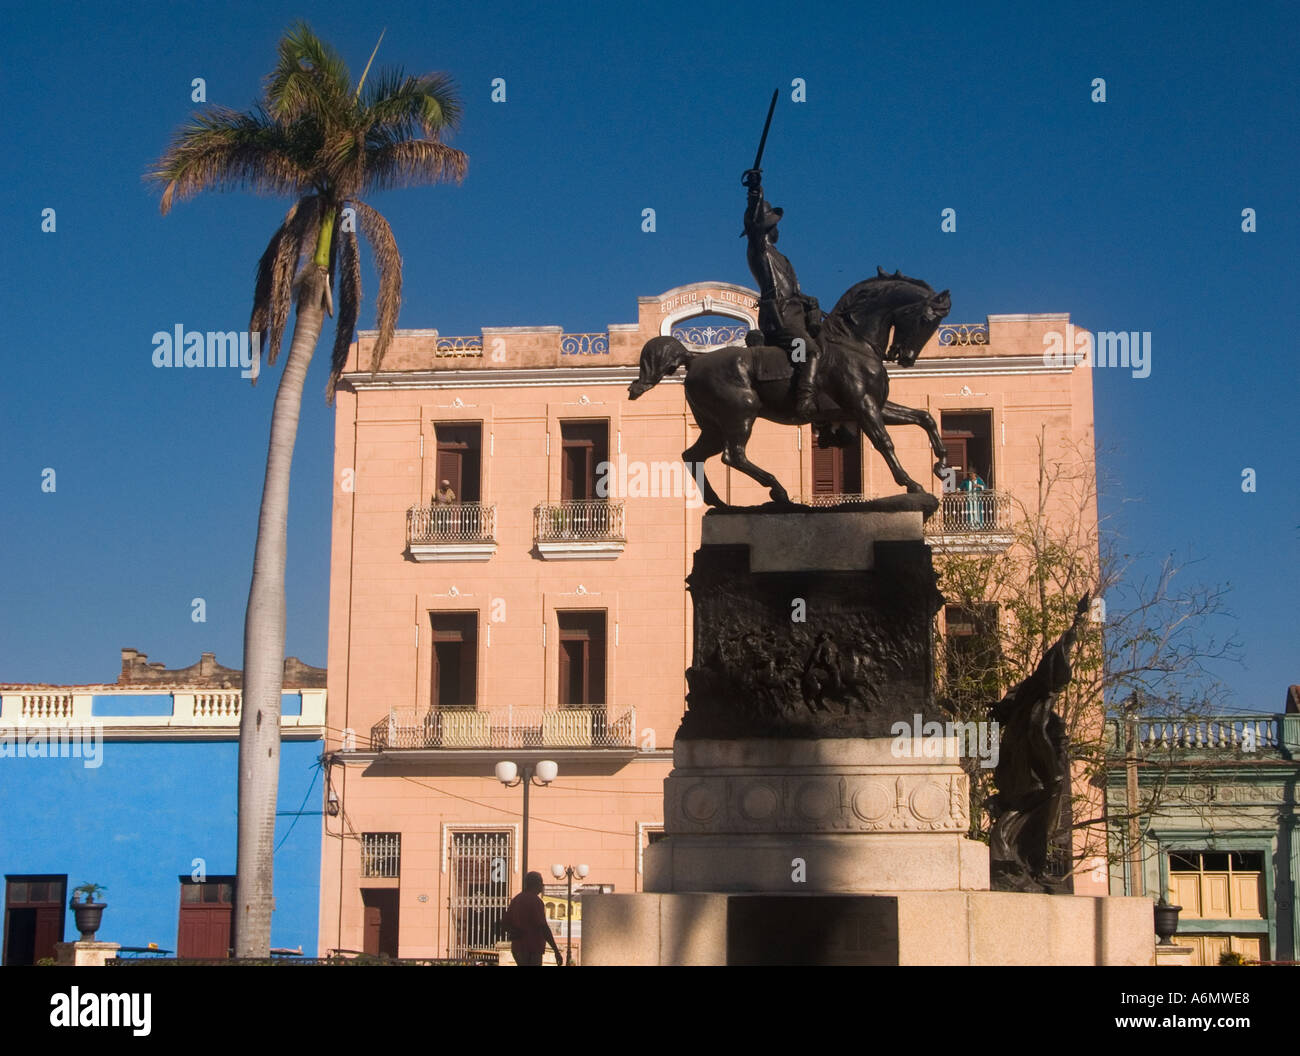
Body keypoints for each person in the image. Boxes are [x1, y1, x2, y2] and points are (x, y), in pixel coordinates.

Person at [742, 168, 824, 419]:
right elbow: (753, 226)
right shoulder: (760, 250)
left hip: (794, 315)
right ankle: (804, 400)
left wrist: (807, 301)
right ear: (766, 229)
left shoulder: (782, 258)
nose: (778, 229)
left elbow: (791, 291)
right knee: (808, 351)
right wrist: (755, 192)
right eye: (773, 224)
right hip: (780, 319)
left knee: (829, 349)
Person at [502, 871, 562, 966]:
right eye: (541, 883)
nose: (542, 885)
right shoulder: (536, 902)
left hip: (518, 948)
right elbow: (543, 927)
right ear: (535, 884)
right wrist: (556, 950)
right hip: (533, 948)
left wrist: (513, 932)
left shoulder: (516, 900)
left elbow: (504, 923)